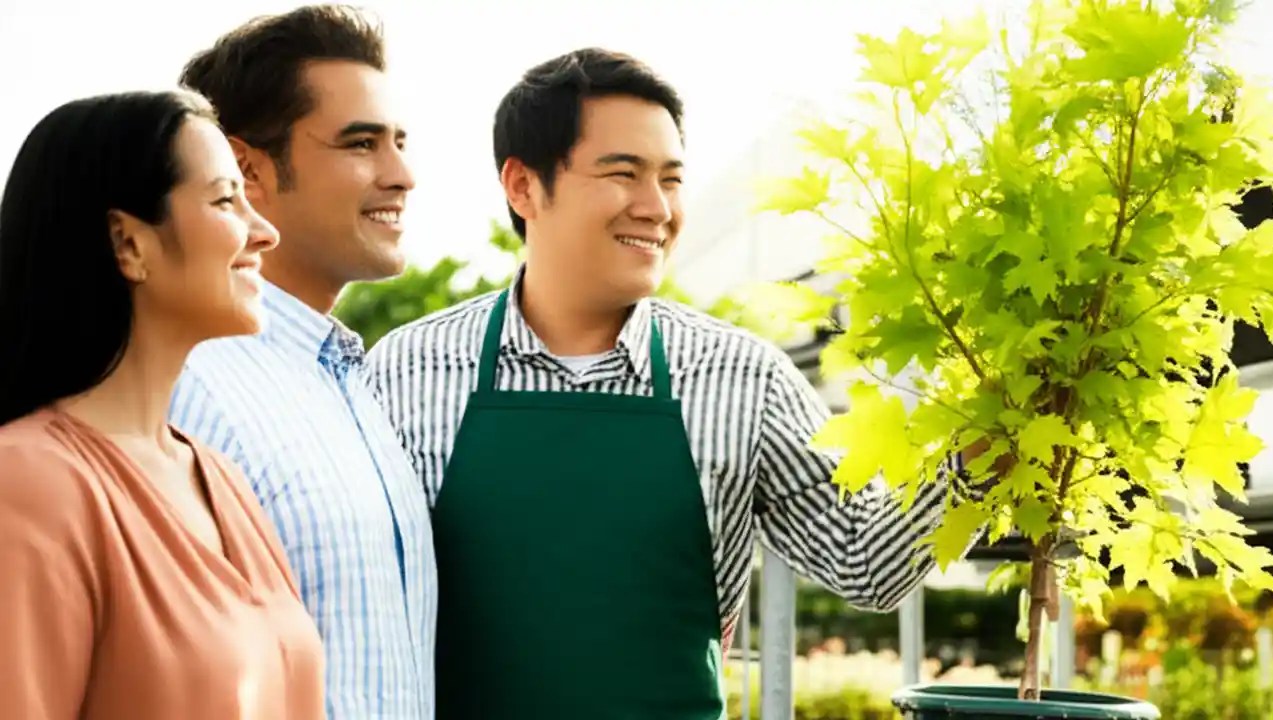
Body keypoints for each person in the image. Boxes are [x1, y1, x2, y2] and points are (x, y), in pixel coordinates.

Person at [366, 47, 981, 719]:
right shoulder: (407, 373)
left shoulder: (743, 378)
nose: (656, 207)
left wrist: (980, 455)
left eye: (672, 179)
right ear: (522, 186)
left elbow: (868, 564)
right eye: (623, 172)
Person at [0, 89, 323, 720]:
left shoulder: (223, 478)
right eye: (226, 200)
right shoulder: (29, 484)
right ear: (128, 243)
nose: (265, 232)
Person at [168, 6, 435, 719]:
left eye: (400, 142)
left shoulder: (351, 385)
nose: (402, 174)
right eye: (361, 144)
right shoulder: (193, 389)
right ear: (244, 170)